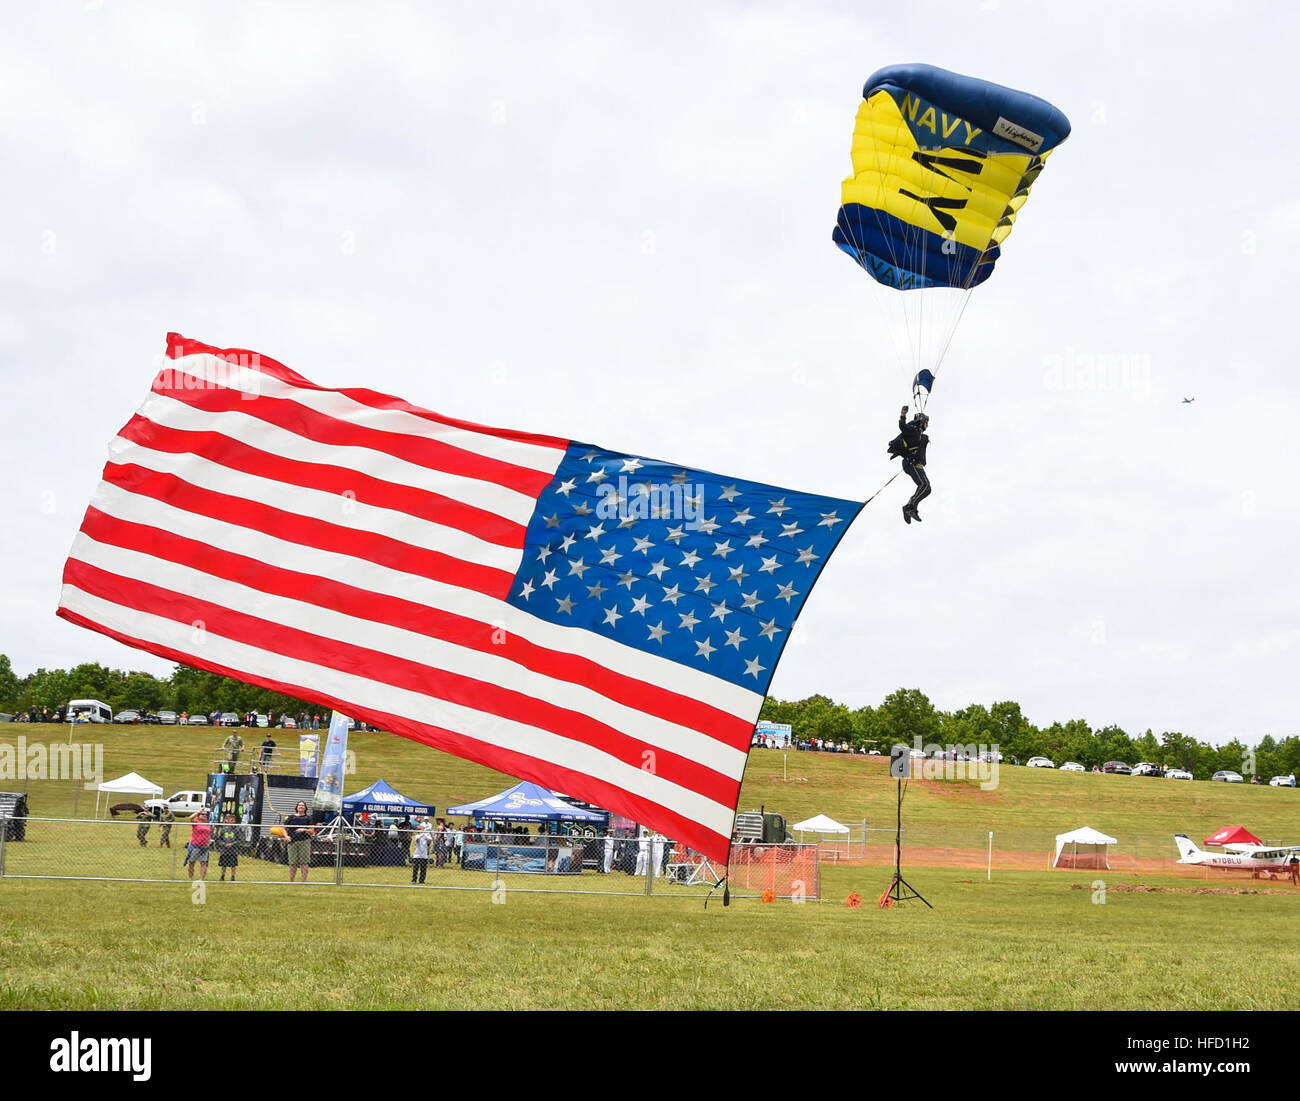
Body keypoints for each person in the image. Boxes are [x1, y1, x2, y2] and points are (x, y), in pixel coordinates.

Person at [890, 404, 931, 524]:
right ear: (921, 421)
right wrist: (903, 415)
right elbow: (902, 427)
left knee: (926, 488)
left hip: (915, 464)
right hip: (911, 463)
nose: (927, 425)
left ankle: (910, 507)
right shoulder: (912, 429)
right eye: (926, 422)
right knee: (925, 485)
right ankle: (909, 507)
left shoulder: (919, 434)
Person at [285, 800, 315, 882]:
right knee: (292, 863)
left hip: (304, 841)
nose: (301, 807)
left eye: (303, 806)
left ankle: (303, 881)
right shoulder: (291, 817)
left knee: (304, 862)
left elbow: (312, 831)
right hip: (292, 842)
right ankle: (291, 881)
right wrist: (286, 836)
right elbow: (283, 828)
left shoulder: (308, 818)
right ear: (296, 807)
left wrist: (304, 829)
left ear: (305, 808)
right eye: (299, 805)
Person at [186, 815, 211, 881]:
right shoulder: (196, 822)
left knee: (203, 862)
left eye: (205, 814)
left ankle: (202, 879)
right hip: (195, 846)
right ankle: (190, 878)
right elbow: (190, 818)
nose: (204, 815)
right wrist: (198, 811)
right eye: (202, 814)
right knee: (191, 862)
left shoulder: (208, 824)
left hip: (204, 847)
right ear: (198, 816)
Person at [216, 813, 240, 882]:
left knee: (233, 865)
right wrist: (224, 844)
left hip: (233, 851)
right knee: (224, 864)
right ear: (227, 820)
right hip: (224, 850)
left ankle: (233, 876)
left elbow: (239, 840)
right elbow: (219, 840)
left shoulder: (236, 830)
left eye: (233, 820)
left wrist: (232, 844)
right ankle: (222, 876)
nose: (232, 822)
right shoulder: (223, 830)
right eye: (231, 820)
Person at [411, 819, 433, 884]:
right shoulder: (417, 835)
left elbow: (431, 840)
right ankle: (414, 880)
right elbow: (417, 839)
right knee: (415, 868)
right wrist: (423, 833)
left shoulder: (426, 836)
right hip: (417, 855)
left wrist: (430, 833)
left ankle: (422, 880)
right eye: (421, 829)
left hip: (424, 855)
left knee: (423, 869)